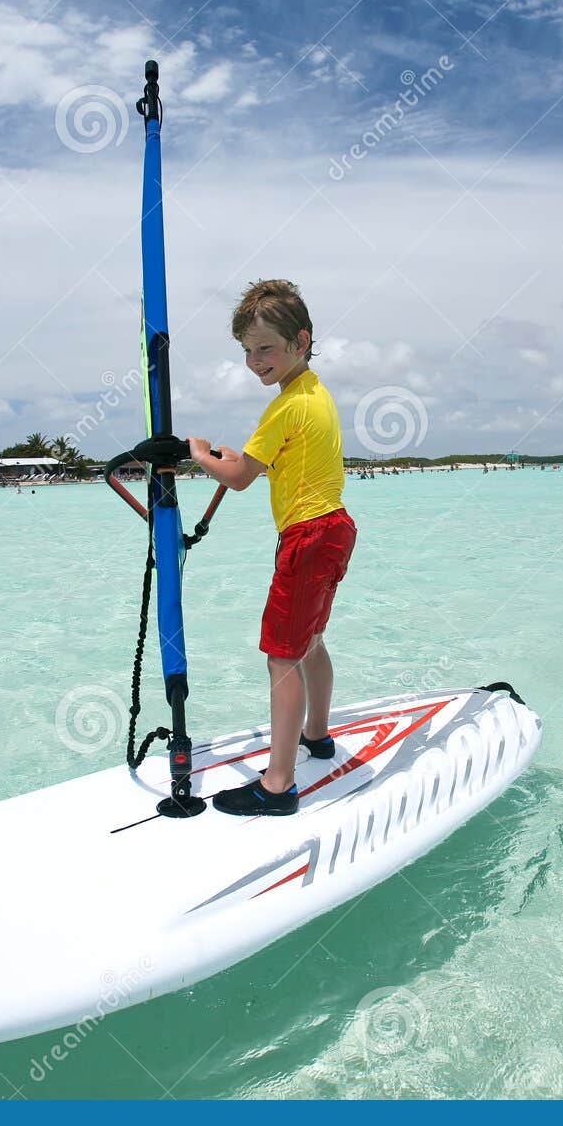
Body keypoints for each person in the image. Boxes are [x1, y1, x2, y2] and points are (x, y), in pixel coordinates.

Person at [188, 279, 356, 816]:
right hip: (334, 529)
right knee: (311, 640)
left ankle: (278, 786)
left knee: (282, 657)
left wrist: (199, 455)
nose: (255, 361)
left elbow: (238, 478)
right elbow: (271, 461)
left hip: (306, 536)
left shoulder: (284, 408)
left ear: (301, 341)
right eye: (247, 351)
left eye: (266, 349)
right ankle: (318, 737)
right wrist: (237, 459)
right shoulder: (314, 394)